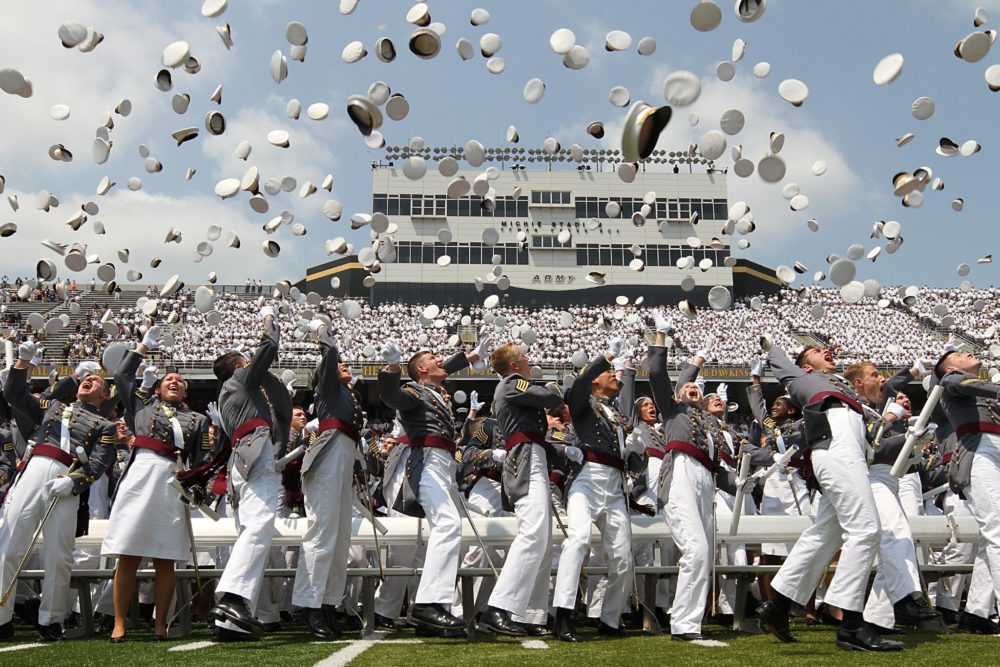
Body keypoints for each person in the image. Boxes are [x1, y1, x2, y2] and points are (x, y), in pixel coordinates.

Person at [756, 343, 902, 652]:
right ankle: (850, 623)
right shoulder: (802, 380)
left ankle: (778, 605)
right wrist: (770, 346)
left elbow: (878, 402)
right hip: (838, 443)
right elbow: (781, 364)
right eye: (815, 351)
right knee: (866, 530)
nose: (826, 351)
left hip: (847, 446)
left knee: (826, 533)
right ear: (805, 366)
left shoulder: (843, 386)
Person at [0, 342, 116, 642]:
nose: (89, 380)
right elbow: (14, 394)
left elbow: (100, 463)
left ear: (104, 396)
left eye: (97, 381)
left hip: (67, 480)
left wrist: (74, 483)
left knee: (59, 555)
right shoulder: (51, 406)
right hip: (36, 467)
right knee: (9, 545)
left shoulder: (105, 425)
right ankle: (1, 617)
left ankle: (51, 619)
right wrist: (23, 362)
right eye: (85, 378)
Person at [101, 324, 211, 642]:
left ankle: (160, 622)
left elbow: (202, 459)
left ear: (185, 392)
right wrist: (142, 348)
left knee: (165, 557)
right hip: (140, 476)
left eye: (179, 381)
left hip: (173, 481)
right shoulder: (142, 408)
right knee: (128, 553)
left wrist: (197, 486)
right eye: (168, 380)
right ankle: (119, 622)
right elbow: (122, 376)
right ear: (159, 390)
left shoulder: (198, 420)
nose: (174, 381)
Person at [377, 335, 491, 635]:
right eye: (432, 357)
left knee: (449, 531)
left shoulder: (431, 388)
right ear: (422, 370)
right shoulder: (414, 390)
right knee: (447, 525)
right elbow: (392, 397)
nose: (441, 360)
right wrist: (391, 367)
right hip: (426, 462)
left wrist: (469, 358)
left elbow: (441, 368)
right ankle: (429, 604)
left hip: (442, 465)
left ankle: (433, 607)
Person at [552, 337, 646, 642]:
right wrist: (605, 356)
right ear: (595, 381)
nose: (615, 377)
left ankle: (610, 618)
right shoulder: (584, 403)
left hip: (616, 483)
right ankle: (563, 614)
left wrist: (637, 451)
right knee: (578, 539)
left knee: (622, 555)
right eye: (609, 374)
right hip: (588, 479)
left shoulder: (617, 414)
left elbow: (636, 463)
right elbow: (575, 389)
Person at [209, 305, 292, 642]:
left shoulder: (229, 393)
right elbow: (269, 347)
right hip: (257, 455)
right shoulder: (241, 380)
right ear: (241, 366)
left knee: (248, 531)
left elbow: (283, 409)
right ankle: (231, 599)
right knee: (259, 525)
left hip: (242, 460)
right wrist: (269, 320)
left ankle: (229, 624)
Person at [483, 343, 564, 636]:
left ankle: (530, 613)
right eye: (524, 356)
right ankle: (499, 607)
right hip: (526, 456)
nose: (529, 360)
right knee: (533, 532)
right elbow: (550, 396)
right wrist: (556, 384)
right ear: (514, 365)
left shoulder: (512, 383)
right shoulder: (512, 383)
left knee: (541, 538)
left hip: (532, 453)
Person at [291, 321, 364, 639]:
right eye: (340, 365)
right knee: (322, 532)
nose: (344, 366)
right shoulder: (328, 388)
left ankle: (328, 603)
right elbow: (330, 357)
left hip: (344, 459)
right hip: (328, 457)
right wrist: (324, 333)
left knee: (340, 537)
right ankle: (309, 604)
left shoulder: (347, 394)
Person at [934, 345, 1000, 633]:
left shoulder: (978, 386)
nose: (969, 353)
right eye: (961, 354)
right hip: (980, 451)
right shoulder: (951, 380)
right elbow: (970, 385)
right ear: (950, 367)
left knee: (990, 537)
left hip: (993, 449)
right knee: (997, 529)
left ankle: (976, 612)